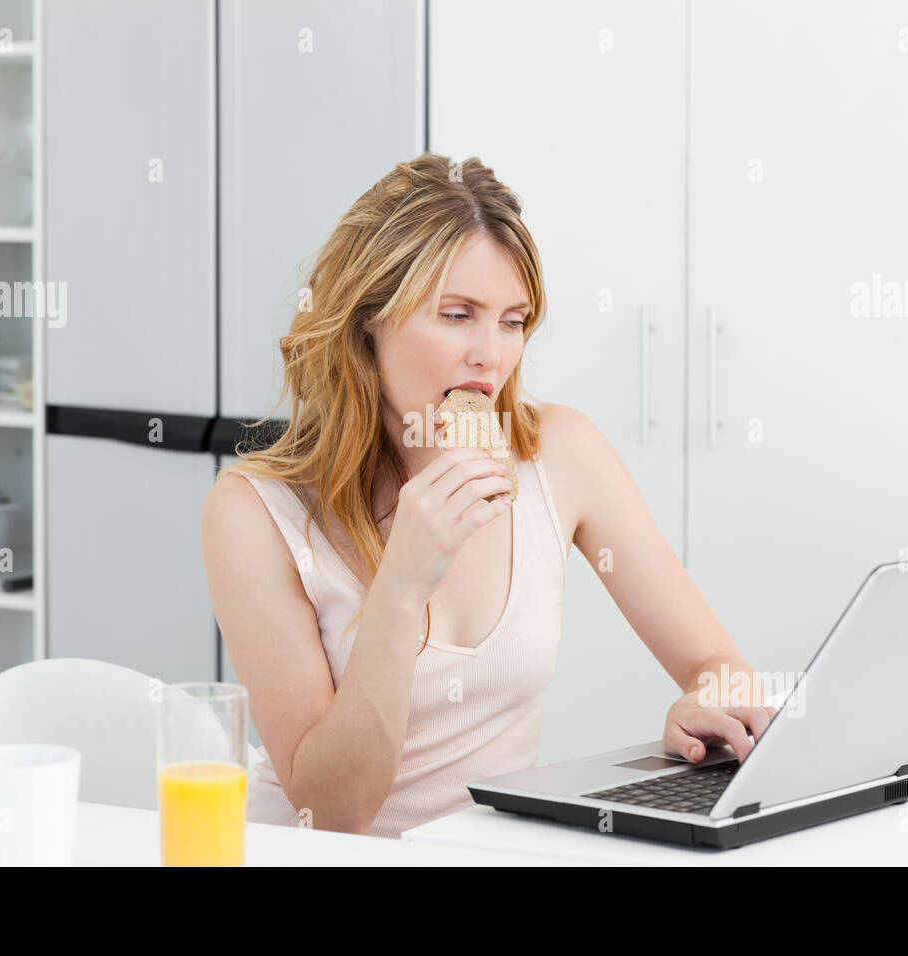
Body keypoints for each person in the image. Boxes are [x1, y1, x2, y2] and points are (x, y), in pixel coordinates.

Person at [200, 152, 776, 839]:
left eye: (512, 321)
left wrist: (708, 708)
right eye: (457, 314)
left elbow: (724, 669)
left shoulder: (559, 455)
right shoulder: (253, 514)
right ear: (367, 320)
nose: (491, 356)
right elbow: (331, 812)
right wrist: (401, 587)